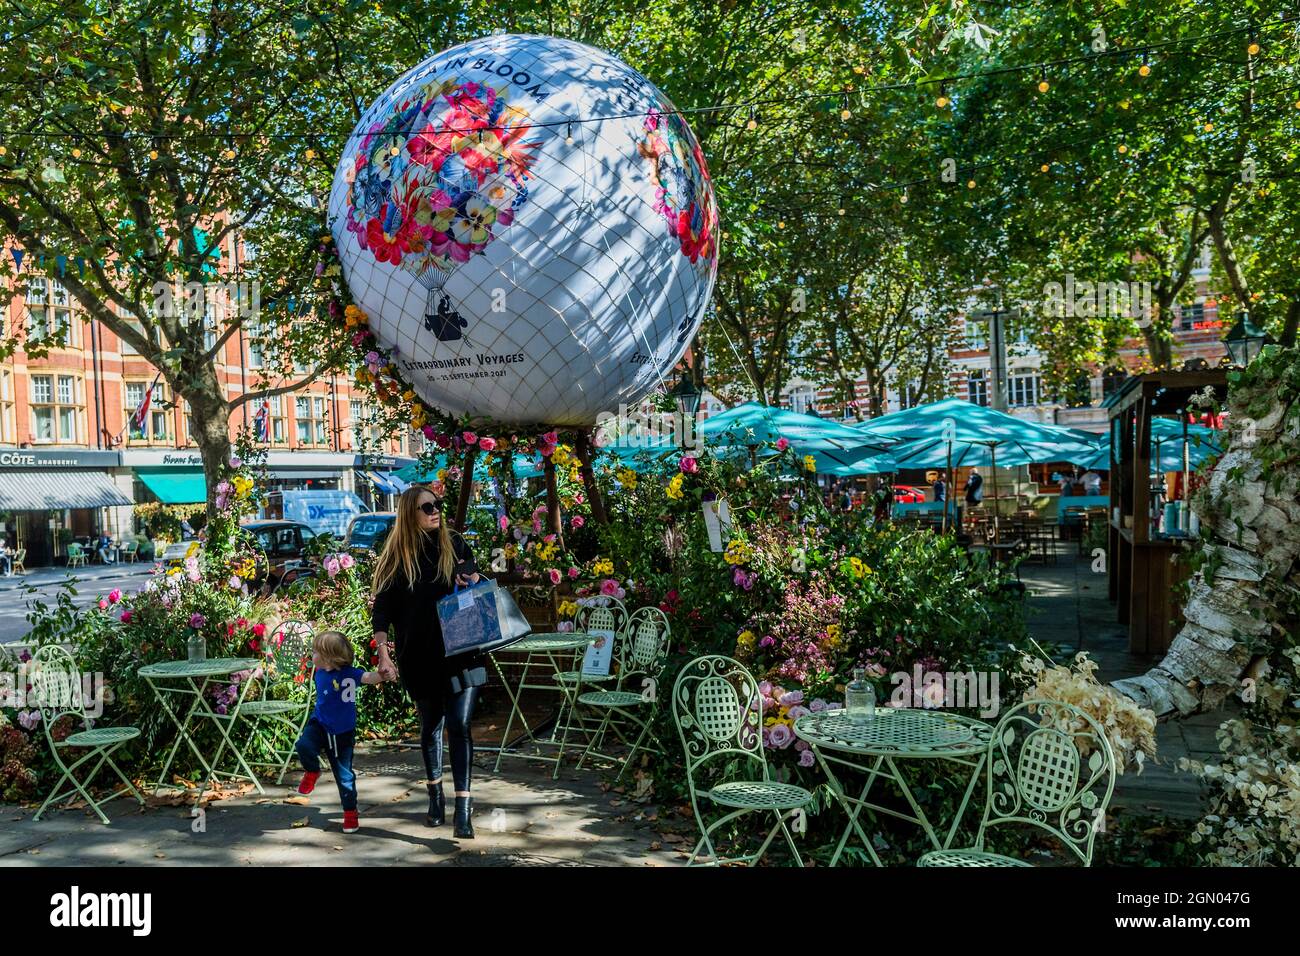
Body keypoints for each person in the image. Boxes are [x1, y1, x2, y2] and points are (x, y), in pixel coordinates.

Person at [372, 484, 483, 838]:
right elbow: (383, 614)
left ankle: (463, 809)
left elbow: (478, 583)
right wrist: (384, 655)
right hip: (419, 655)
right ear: (410, 514)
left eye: (437, 505)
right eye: (427, 507)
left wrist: (476, 578)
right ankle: (436, 795)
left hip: (462, 650)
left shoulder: (455, 542)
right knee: (431, 724)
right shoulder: (397, 556)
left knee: (460, 725)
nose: (435, 511)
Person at [295, 630, 390, 833]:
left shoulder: (349, 674)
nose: (312, 655)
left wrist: (381, 675)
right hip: (319, 724)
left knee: (344, 777)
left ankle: (350, 813)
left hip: (341, 733)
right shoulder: (319, 671)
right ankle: (312, 771)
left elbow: (368, 677)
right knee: (303, 745)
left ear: (330, 658)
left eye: (315, 652)